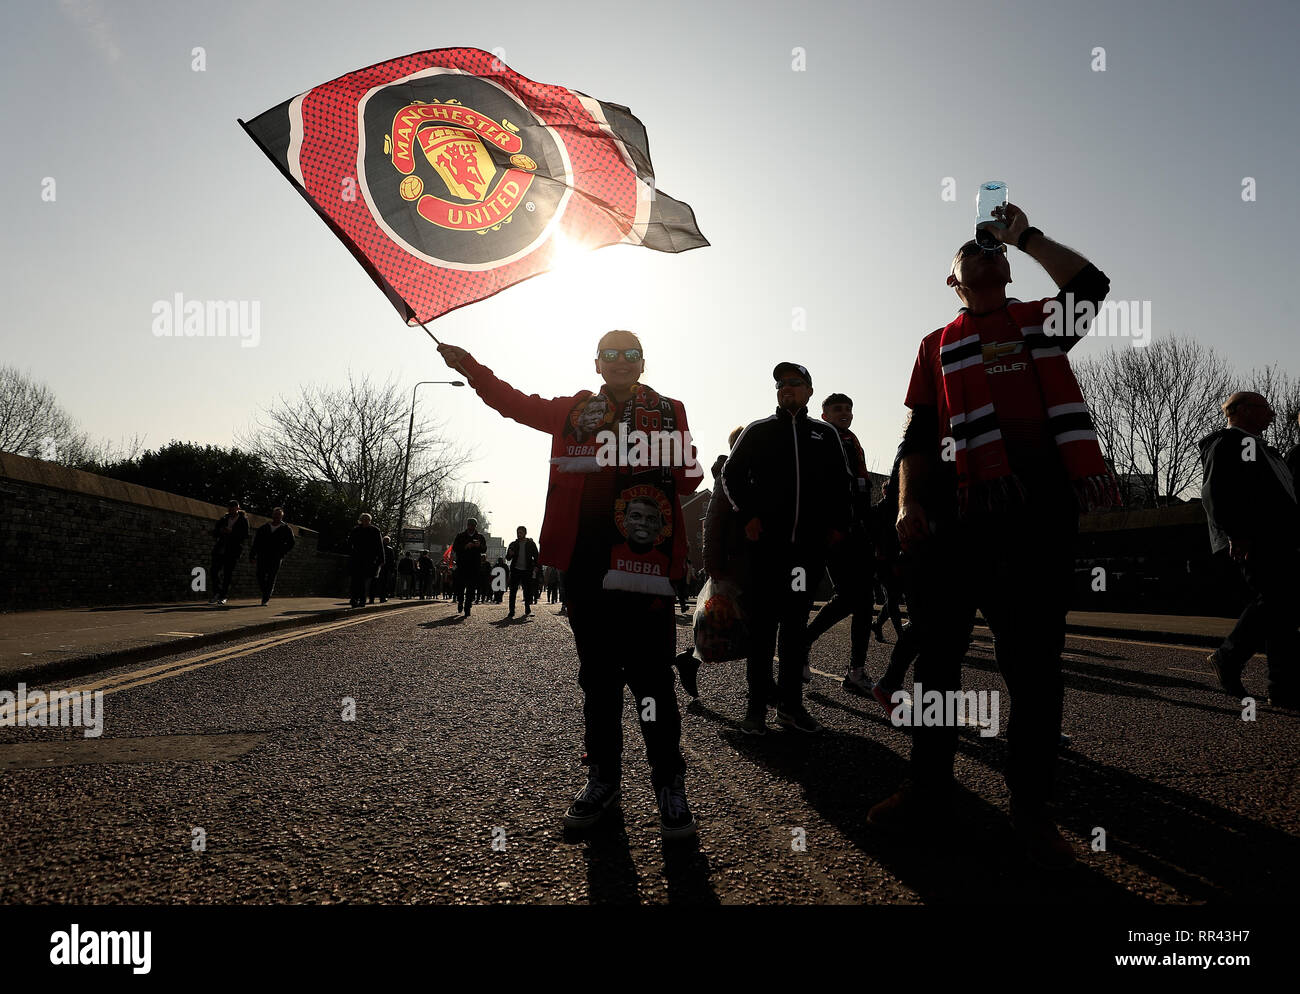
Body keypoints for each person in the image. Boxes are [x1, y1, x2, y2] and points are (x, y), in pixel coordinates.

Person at [870, 201, 1115, 869]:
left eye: (991, 249)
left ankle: (1031, 813)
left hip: (1035, 516)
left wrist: (1027, 234)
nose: (982, 253)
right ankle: (925, 789)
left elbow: (1092, 285)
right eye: (969, 252)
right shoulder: (935, 344)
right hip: (952, 522)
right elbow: (917, 437)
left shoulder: (1038, 322)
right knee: (938, 665)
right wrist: (906, 504)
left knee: (1033, 670)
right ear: (953, 280)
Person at [437, 329, 700, 840]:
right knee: (599, 679)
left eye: (631, 355)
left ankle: (669, 783)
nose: (621, 362)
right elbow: (513, 403)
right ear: (597, 364)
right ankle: (603, 779)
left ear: (642, 363)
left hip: (646, 562)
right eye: (611, 355)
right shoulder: (574, 410)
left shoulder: (671, 410)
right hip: (585, 565)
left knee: (652, 680)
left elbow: (687, 479)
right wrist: (470, 366)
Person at [722, 362, 854, 736]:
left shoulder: (824, 435)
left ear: (809, 391)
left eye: (795, 383)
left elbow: (840, 484)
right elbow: (730, 475)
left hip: (805, 554)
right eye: (781, 384)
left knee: (794, 628)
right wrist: (747, 514)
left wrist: (838, 527)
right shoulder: (759, 431)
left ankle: (792, 708)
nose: (786, 388)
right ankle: (755, 711)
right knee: (763, 629)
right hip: (768, 550)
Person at [1199, 391, 1299, 707]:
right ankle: (1229, 657)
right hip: (1257, 539)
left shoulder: (1263, 449)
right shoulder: (1231, 444)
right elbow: (1216, 492)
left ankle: (1282, 689)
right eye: (1265, 408)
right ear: (1242, 410)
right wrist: (1237, 534)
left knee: (1282, 611)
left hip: (1280, 540)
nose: (1272, 414)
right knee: (1276, 600)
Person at [804, 392, 876, 695]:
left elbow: (859, 486)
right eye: (837, 409)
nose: (844, 413)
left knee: (864, 600)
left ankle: (856, 670)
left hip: (857, 528)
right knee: (849, 596)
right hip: (833, 530)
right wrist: (831, 525)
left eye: (848, 408)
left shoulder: (851, 439)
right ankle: (801, 644)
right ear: (824, 415)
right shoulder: (822, 438)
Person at [250, 506, 295, 606]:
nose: (277, 517)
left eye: (279, 515)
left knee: (271, 576)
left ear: (282, 517)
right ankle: (266, 591)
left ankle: (265, 598)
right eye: (275, 514)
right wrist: (252, 555)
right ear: (272, 515)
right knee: (260, 575)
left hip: (276, 557)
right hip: (263, 555)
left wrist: (282, 552)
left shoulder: (286, 529)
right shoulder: (264, 527)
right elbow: (256, 542)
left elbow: (291, 543)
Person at [209, 500, 249, 605]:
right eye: (229, 508)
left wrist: (232, 532)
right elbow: (215, 532)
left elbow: (245, 536)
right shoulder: (224, 519)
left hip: (233, 551)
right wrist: (221, 531)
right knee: (214, 571)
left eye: (233, 508)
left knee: (227, 574)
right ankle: (217, 593)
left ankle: (223, 596)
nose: (231, 510)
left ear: (238, 508)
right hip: (220, 549)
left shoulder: (243, 520)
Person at [347, 513, 384, 608]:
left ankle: (362, 599)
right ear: (361, 520)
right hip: (357, 558)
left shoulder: (375, 530)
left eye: (367, 519)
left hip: (369, 560)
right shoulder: (356, 530)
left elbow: (380, 546)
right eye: (364, 519)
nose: (365, 521)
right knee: (355, 580)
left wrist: (381, 559)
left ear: (370, 520)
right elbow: (349, 543)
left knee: (364, 581)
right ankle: (354, 599)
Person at [451, 519, 487, 616]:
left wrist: (479, 546)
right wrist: (465, 546)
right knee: (460, 586)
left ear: (476, 526)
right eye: (470, 525)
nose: (471, 527)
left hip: (474, 566)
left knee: (471, 588)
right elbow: (454, 548)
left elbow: (484, 549)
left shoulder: (480, 537)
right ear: (467, 525)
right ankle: (460, 601)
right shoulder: (460, 536)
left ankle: (467, 606)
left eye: (473, 525)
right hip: (462, 565)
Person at [506, 526, 540, 617]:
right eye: (518, 532)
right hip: (515, 570)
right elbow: (508, 558)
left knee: (527, 590)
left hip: (527, 570)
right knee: (513, 591)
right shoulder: (513, 544)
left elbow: (537, 556)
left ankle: (527, 608)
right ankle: (511, 611)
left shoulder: (531, 544)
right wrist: (510, 554)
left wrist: (537, 566)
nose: (519, 534)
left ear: (525, 533)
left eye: (521, 532)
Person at [372, 534, 396, 604]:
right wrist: (392, 570)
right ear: (388, 542)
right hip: (386, 568)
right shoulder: (390, 549)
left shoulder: (377, 547)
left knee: (375, 583)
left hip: (378, 567)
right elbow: (392, 560)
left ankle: (372, 597)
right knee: (384, 583)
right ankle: (382, 597)